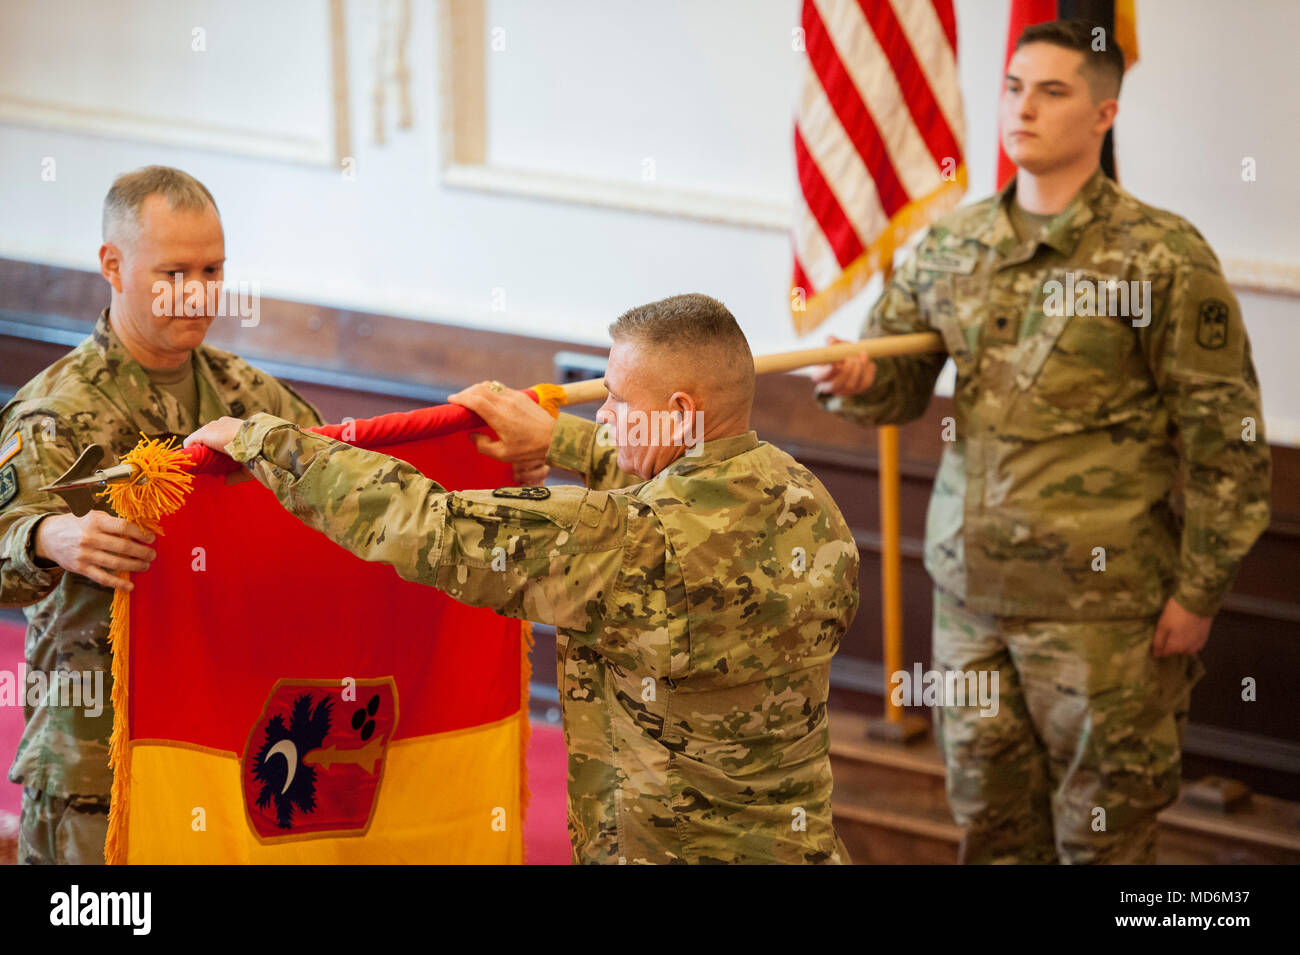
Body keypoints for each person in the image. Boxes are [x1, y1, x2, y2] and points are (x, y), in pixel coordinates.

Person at [813, 20, 1271, 864]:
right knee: (988, 828)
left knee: (1104, 838)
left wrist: (1200, 593)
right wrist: (859, 380)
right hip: (970, 597)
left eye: (1052, 91)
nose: (1023, 108)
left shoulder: (1161, 257)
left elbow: (1228, 444)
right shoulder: (952, 246)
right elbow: (897, 385)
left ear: (1104, 115)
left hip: (1105, 613)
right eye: (1014, 87)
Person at [187, 293, 861, 864]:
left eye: (619, 400)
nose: (603, 415)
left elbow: (431, 526)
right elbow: (691, 496)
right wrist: (557, 440)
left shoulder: (625, 543)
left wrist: (269, 443)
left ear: (681, 411)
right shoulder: (811, 503)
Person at [0, 165, 323, 864]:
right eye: (174, 271)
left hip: (225, 741)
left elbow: (343, 481)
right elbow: (6, 546)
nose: (199, 292)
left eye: (213, 269)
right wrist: (48, 535)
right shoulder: (55, 411)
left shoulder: (248, 395)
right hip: (99, 759)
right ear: (113, 266)